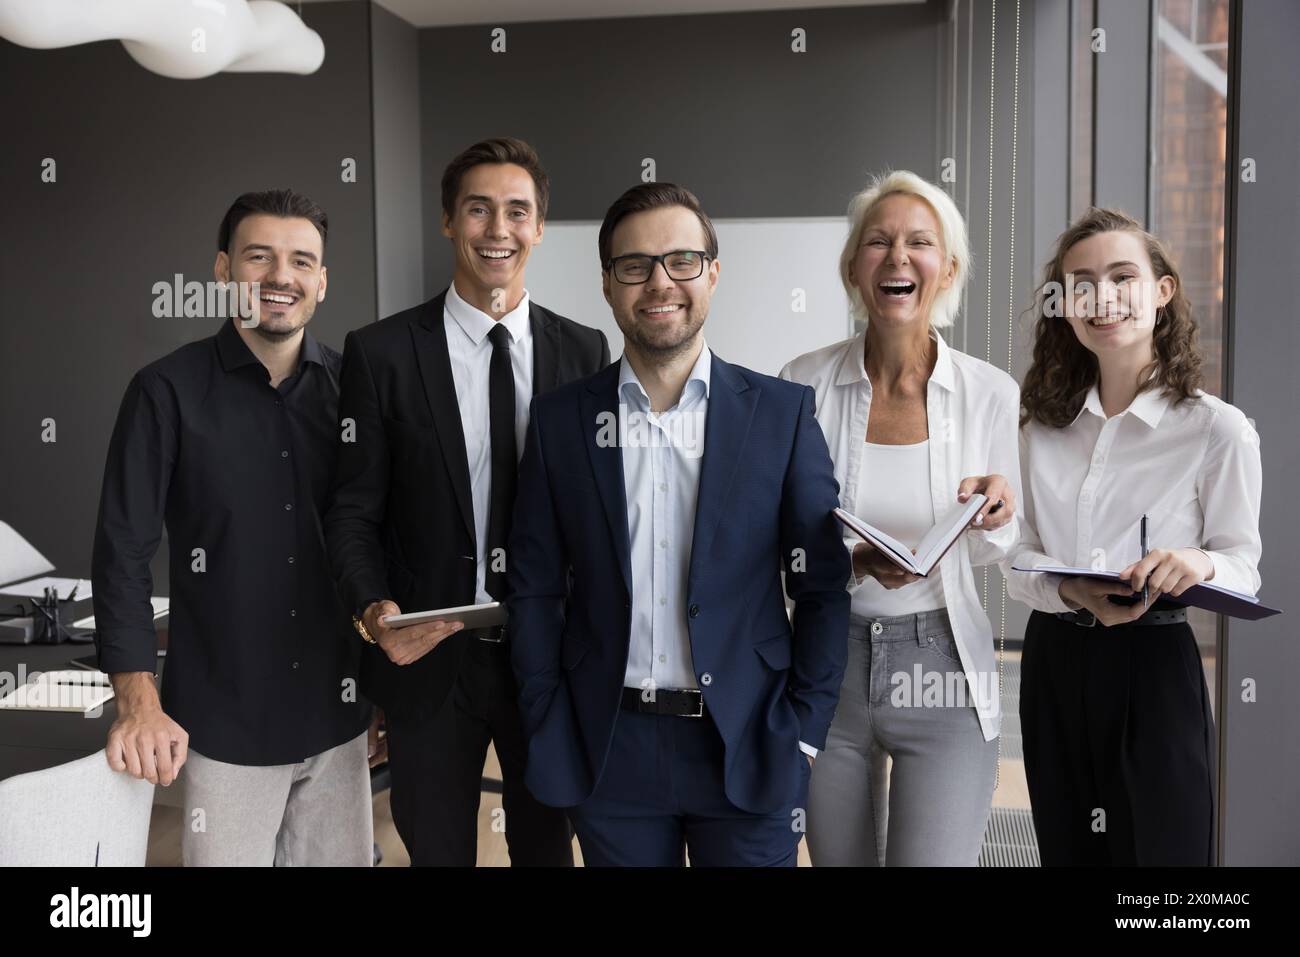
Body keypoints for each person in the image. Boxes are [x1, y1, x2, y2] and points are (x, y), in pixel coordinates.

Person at [508, 182, 850, 866]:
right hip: (609, 749)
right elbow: (535, 589)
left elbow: (822, 588)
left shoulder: (780, 414)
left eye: (681, 260)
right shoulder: (559, 421)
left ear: (712, 274)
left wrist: (804, 730)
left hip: (749, 741)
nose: (659, 282)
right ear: (608, 285)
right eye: (634, 265)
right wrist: (549, 715)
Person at [324, 138, 608, 866]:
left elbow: (596, 512)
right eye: (478, 209)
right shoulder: (381, 351)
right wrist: (371, 610)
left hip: (546, 659)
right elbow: (354, 508)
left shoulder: (583, 350)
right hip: (427, 663)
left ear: (540, 227)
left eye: (518, 211)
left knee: (546, 849)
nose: (498, 229)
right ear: (449, 221)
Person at [92, 188, 373, 866]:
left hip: (339, 721)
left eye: (302, 260)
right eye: (260, 257)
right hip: (222, 727)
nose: (282, 276)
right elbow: (123, 549)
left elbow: (373, 540)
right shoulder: (165, 390)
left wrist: (383, 692)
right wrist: (137, 699)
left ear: (322, 281)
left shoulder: (357, 390)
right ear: (222, 272)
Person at [1003, 207, 1262, 865]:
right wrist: (1068, 588)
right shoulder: (1039, 430)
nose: (1103, 297)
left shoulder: (1217, 431)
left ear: (1163, 291)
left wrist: (1196, 562)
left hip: (1154, 667)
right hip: (1056, 663)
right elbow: (1015, 554)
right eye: (1081, 283)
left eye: (1123, 276)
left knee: (1163, 866)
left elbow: (1243, 563)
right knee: (1070, 851)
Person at [781, 170, 1020, 866]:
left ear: (946, 270)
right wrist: (844, 560)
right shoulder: (801, 381)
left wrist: (995, 513)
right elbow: (775, 537)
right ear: (854, 267)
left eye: (919, 243)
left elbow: (1006, 545)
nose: (897, 257)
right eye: (878, 242)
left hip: (942, 661)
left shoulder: (989, 392)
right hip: (830, 657)